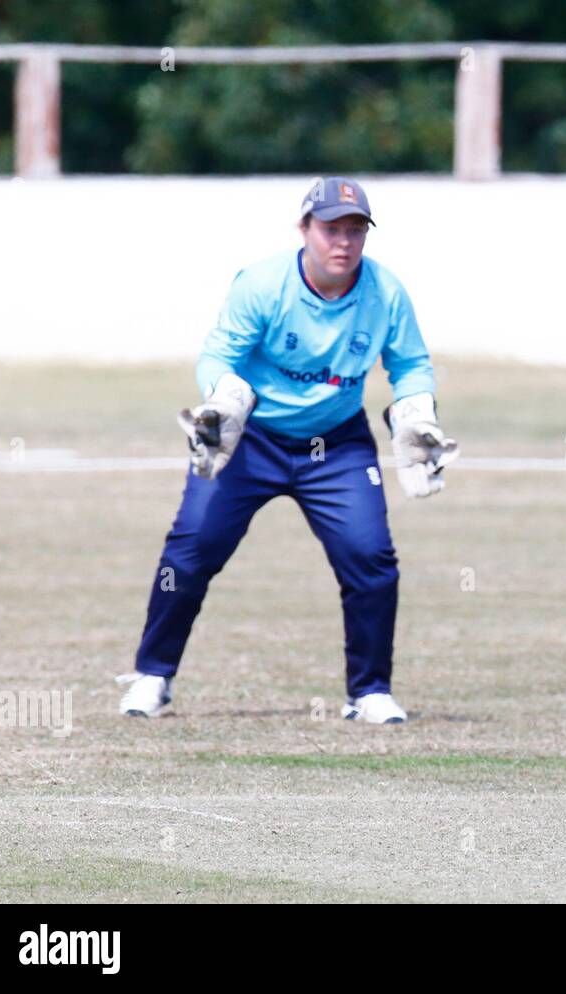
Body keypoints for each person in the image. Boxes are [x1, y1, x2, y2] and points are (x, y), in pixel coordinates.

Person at [119, 177, 458, 724]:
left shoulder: (385, 292)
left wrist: (418, 413)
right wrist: (225, 399)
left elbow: (411, 364)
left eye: (354, 230)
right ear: (305, 230)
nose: (342, 242)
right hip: (250, 438)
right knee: (189, 553)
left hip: (338, 445)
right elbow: (217, 354)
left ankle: (368, 691)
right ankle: (152, 676)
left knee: (372, 560)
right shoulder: (262, 284)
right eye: (330, 229)